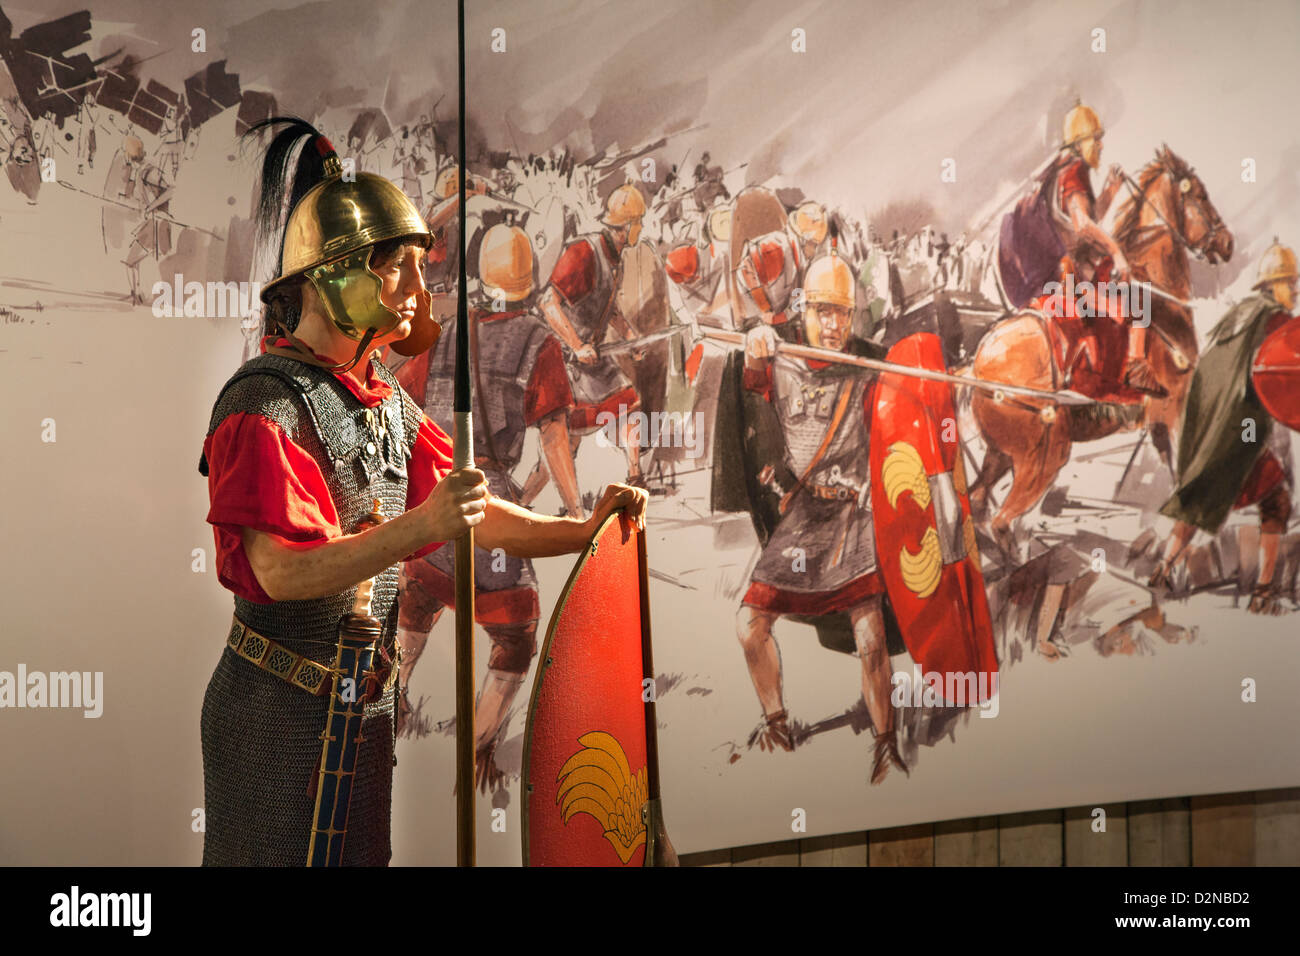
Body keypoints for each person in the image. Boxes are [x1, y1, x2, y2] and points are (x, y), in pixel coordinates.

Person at [197, 117, 646, 865]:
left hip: (361, 712)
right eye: (395, 268)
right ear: (330, 277)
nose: (417, 287)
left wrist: (584, 531)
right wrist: (418, 528)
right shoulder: (263, 404)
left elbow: (476, 514)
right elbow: (277, 570)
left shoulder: (381, 398)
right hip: (278, 711)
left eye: (418, 265)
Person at [1149, 241, 1297, 613]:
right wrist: (1252, 436)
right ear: (1273, 284)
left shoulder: (1241, 314)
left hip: (1217, 428)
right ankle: (1263, 592)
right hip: (1243, 428)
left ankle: (1163, 569)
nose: (1295, 291)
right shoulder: (1275, 321)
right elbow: (1279, 373)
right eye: (1291, 283)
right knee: (1276, 503)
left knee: (1198, 497)